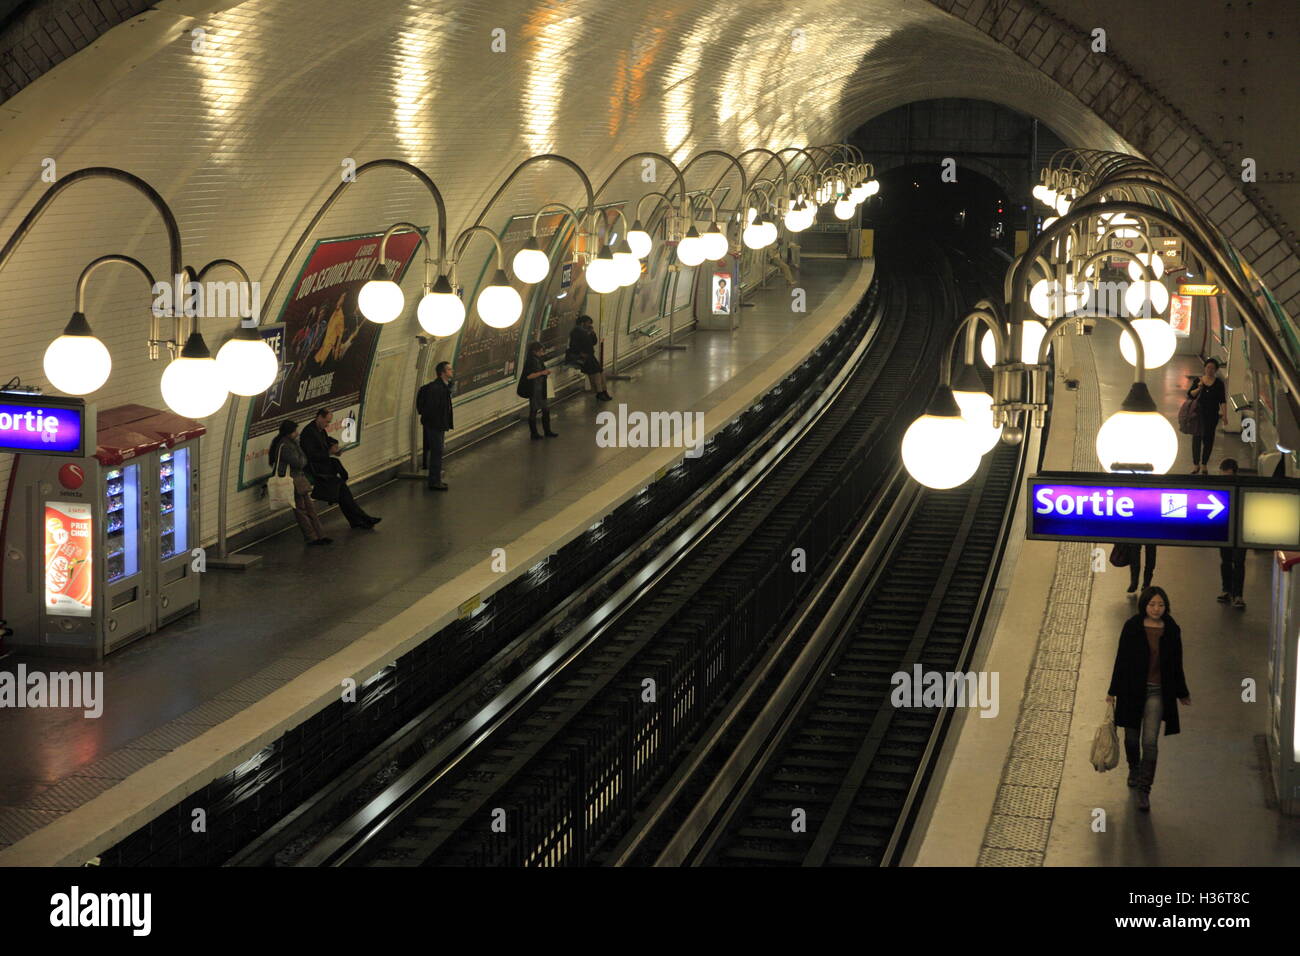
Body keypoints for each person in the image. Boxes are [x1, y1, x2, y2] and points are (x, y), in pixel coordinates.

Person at [1106, 586, 1191, 812]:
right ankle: (1134, 768)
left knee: (1150, 742)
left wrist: (1182, 692)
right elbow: (1121, 659)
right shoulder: (1132, 627)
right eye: (1152, 604)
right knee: (1132, 738)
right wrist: (1112, 690)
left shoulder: (1172, 630)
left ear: (1166, 607)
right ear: (1144, 605)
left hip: (1157, 691)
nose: (1156, 609)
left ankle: (1145, 788)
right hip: (1131, 691)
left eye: (1160, 605)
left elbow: (1176, 664)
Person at [301, 408, 380, 529]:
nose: (327, 425)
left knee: (343, 494)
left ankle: (358, 520)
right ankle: (363, 518)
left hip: (324, 468)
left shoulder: (320, 430)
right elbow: (311, 455)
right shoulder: (308, 433)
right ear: (319, 418)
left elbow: (327, 442)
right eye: (327, 421)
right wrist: (329, 452)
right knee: (343, 491)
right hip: (318, 471)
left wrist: (335, 448)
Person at [267, 420, 330, 546]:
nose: (297, 433)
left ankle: (319, 535)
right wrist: (302, 458)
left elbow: (302, 459)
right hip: (293, 481)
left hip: (299, 480)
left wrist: (302, 458)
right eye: (295, 431)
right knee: (301, 510)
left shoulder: (290, 443)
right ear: (289, 432)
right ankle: (312, 537)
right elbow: (300, 462)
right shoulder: (285, 446)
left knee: (308, 508)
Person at [417, 361, 455, 490]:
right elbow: (432, 409)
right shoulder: (436, 389)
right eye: (449, 370)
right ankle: (434, 482)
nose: (452, 371)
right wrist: (438, 423)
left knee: (437, 452)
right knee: (436, 452)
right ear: (442, 373)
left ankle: (436, 480)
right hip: (435, 425)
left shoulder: (443, 386)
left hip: (437, 424)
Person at [1187, 358, 1227, 474]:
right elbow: (1190, 394)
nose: (1210, 370)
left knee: (1208, 440)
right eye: (1208, 367)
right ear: (1204, 368)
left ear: (1216, 370)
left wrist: (1225, 415)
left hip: (1212, 416)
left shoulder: (1219, 383)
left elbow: (1222, 400)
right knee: (1196, 440)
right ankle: (1196, 464)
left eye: (1212, 368)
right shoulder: (1198, 381)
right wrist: (1199, 388)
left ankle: (1204, 464)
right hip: (1197, 415)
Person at [1217, 458, 1247, 608]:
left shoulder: (1240, 487)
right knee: (1227, 561)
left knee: (1238, 562)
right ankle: (1229, 591)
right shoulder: (1238, 486)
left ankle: (1236, 594)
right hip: (1227, 529)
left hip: (1238, 530)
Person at [518, 340, 558, 440]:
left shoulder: (537, 359)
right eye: (540, 351)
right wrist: (542, 373)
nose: (542, 353)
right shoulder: (531, 361)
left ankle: (544, 431)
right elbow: (529, 376)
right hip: (535, 390)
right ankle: (536, 433)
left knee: (544, 410)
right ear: (534, 351)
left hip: (540, 388)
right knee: (535, 410)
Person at [566, 315, 611, 401]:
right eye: (588, 323)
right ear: (583, 323)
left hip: (590, 355)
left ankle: (602, 392)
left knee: (599, 372)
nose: (589, 325)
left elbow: (593, 342)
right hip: (585, 356)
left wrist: (592, 333)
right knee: (596, 372)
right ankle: (600, 392)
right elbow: (573, 345)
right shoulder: (576, 332)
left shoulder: (584, 331)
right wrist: (580, 353)